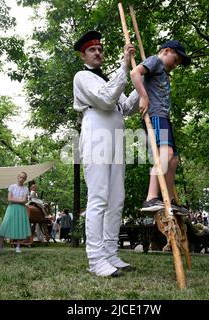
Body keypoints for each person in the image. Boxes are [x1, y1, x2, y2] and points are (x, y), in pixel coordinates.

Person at [73, 30, 139, 277]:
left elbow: (126, 106)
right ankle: (96, 258)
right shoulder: (82, 76)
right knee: (99, 197)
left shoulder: (108, 79)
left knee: (116, 198)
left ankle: (111, 253)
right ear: (84, 55)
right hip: (96, 135)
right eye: (92, 50)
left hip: (116, 139)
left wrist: (142, 79)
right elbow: (106, 99)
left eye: (100, 49)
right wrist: (124, 66)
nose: (98, 53)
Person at [130, 40, 190, 215]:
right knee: (165, 153)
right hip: (155, 116)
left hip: (164, 118)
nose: (176, 65)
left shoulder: (163, 71)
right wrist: (143, 97)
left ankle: (169, 200)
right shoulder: (155, 61)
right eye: (176, 60)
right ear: (167, 51)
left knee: (173, 159)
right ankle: (151, 197)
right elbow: (135, 73)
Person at [0, 172, 31, 253]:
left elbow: (24, 201)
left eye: (23, 178)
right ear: (18, 177)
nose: (22, 179)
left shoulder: (26, 189)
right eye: (20, 177)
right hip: (11, 208)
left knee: (19, 226)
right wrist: (20, 200)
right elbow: (9, 199)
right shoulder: (12, 186)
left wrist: (15, 199)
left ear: (25, 179)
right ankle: (0, 247)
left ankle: (18, 247)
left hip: (21, 209)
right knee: (5, 225)